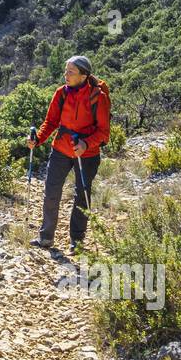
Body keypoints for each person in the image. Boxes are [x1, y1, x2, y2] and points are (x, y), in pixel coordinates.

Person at [26, 55, 111, 254]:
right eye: (66, 71)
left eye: (70, 72)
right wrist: (38, 139)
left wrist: (86, 143)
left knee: (82, 196)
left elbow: (103, 132)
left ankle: (77, 241)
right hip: (61, 150)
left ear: (83, 76)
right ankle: (46, 237)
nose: (66, 75)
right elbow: (51, 122)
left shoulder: (99, 98)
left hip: (87, 154)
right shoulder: (61, 94)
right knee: (51, 192)